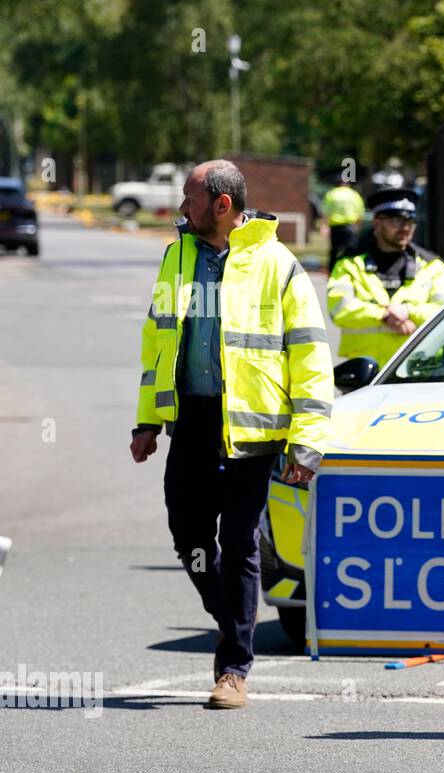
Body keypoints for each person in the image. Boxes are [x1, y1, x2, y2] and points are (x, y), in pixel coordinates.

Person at [130, 160, 334, 709]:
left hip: (251, 428)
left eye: (190, 200)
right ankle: (231, 621)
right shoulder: (177, 256)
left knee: (241, 543)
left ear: (222, 204)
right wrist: (148, 421)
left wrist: (308, 442)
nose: (181, 209)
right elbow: (158, 344)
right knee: (190, 539)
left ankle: (234, 668)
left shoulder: (277, 264)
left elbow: (312, 355)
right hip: (191, 422)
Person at [327, 187, 444, 368]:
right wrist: (384, 315)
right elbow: (339, 309)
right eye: (396, 221)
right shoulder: (349, 264)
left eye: (410, 222)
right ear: (377, 223)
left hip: (419, 370)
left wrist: (408, 311)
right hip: (364, 374)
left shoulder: (433, 266)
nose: (405, 228)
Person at [321, 173, 365, 271]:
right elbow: (360, 213)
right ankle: (349, 270)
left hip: (335, 227)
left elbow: (326, 212)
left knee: (334, 251)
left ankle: (332, 271)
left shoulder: (331, 194)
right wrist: (358, 227)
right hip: (350, 227)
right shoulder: (354, 194)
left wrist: (324, 226)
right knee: (350, 251)